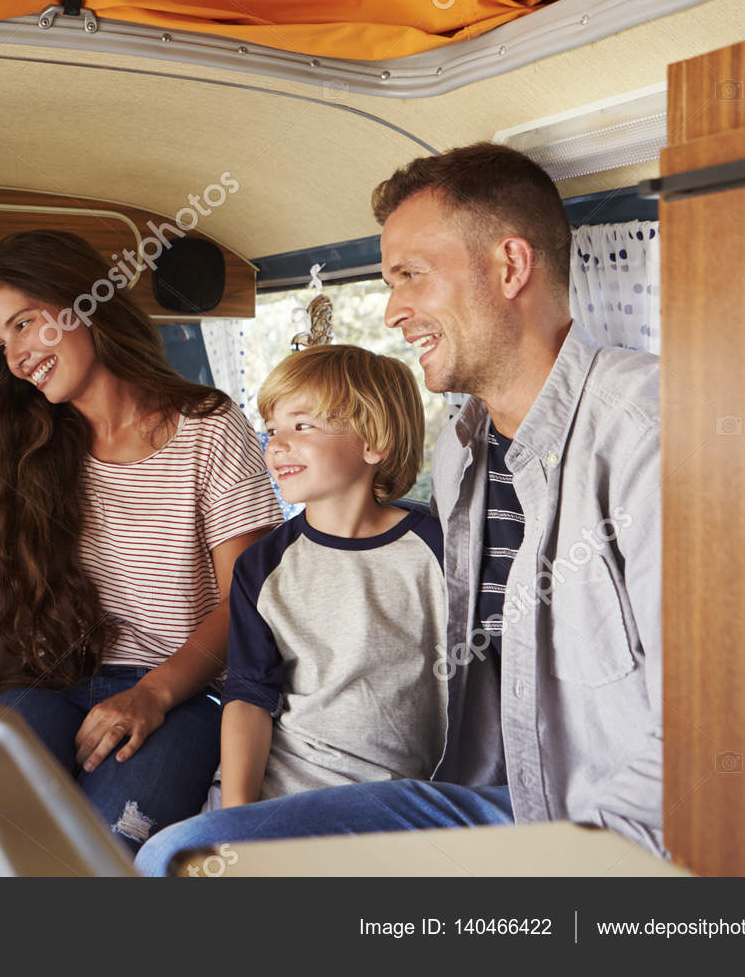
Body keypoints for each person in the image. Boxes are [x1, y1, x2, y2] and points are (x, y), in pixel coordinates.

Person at [139, 141, 662, 875]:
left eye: (411, 275)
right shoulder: (462, 454)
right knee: (180, 857)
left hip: (606, 825)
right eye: (388, 283)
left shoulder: (647, 430)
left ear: (511, 266)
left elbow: (705, 725)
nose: (392, 312)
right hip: (489, 798)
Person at [0, 230, 282, 853]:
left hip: (180, 690)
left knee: (107, 846)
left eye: (23, 324)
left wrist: (153, 694)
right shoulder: (19, 444)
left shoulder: (210, 427)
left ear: (83, 302)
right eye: (1, 344)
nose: (16, 358)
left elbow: (246, 601)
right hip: (48, 681)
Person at [133, 343, 446, 874]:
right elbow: (249, 699)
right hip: (273, 794)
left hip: (389, 803)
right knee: (163, 862)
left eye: (302, 426)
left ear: (373, 441)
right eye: (272, 428)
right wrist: (238, 820)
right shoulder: (262, 566)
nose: (276, 444)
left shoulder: (440, 549)